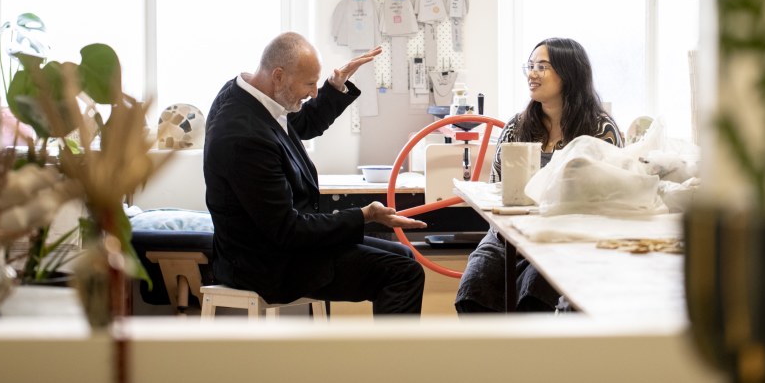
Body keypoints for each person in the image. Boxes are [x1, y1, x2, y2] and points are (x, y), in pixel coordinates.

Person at [203, 32, 428, 316]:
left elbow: (304, 123)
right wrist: (365, 215)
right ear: (279, 76)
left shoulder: (254, 96)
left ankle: (386, 357)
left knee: (402, 255)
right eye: (309, 84)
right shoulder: (244, 136)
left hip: (280, 247)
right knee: (403, 272)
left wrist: (336, 86)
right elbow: (287, 231)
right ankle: (389, 362)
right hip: (264, 264)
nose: (314, 93)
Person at [454, 37, 624, 314]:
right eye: (530, 66)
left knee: (534, 295)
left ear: (569, 74)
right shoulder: (517, 127)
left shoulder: (599, 130)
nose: (532, 74)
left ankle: (531, 356)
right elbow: (497, 190)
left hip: (567, 237)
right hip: (507, 235)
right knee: (474, 288)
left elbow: (607, 199)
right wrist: (516, 235)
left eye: (542, 67)